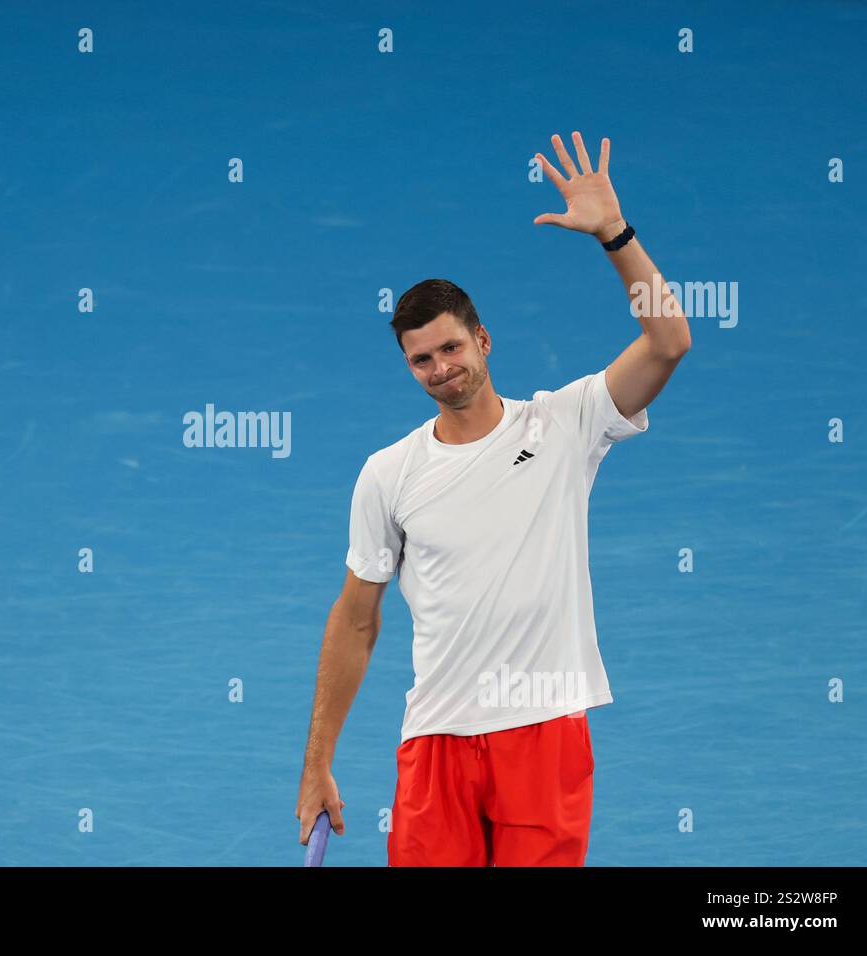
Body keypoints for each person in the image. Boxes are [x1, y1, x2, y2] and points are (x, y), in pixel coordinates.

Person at [295, 132, 691, 866]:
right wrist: (317, 760)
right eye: (421, 359)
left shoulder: (566, 423)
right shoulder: (388, 473)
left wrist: (616, 234)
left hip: (543, 733)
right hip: (436, 739)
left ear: (482, 339)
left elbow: (668, 342)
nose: (441, 369)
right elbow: (355, 621)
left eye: (451, 348)